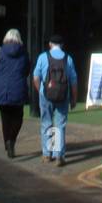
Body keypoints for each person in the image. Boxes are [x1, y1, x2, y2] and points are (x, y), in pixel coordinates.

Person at [0, 29, 31, 158]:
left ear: (6, 38)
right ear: (19, 38)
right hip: (18, 89)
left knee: (5, 119)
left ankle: (7, 143)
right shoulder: (24, 52)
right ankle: (11, 140)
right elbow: (27, 69)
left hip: (1, 91)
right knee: (18, 117)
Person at [33, 34, 78, 166]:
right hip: (63, 96)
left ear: (50, 44)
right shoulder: (68, 58)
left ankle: (47, 154)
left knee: (46, 123)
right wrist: (73, 99)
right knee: (60, 124)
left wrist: (41, 91)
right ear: (62, 45)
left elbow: (36, 77)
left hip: (46, 95)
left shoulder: (42, 57)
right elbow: (74, 81)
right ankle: (59, 156)